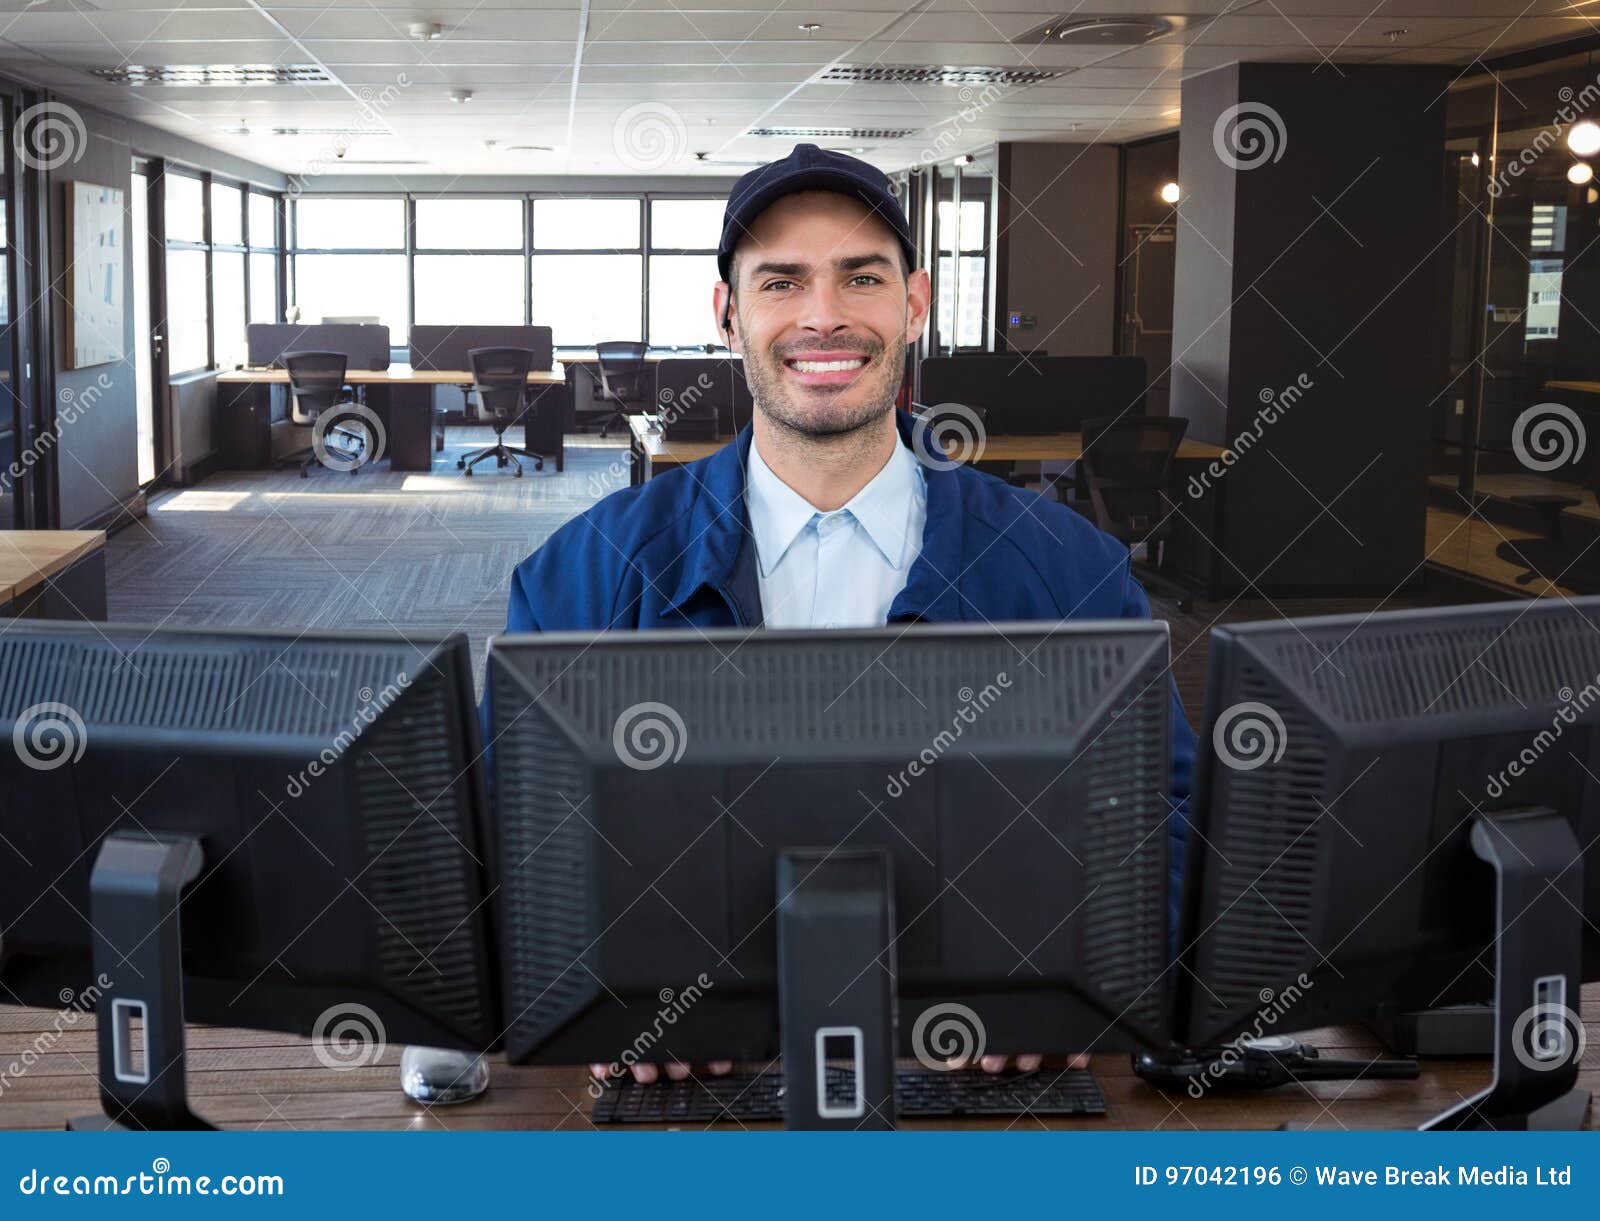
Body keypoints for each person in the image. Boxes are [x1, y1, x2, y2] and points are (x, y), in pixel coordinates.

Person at [498, 143, 1196, 1085]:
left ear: (913, 306)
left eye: (860, 278)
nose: (823, 316)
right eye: (781, 282)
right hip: (693, 1080)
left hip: (980, 1074)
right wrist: (606, 991)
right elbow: (509, 835)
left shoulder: (1068, 568)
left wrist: (1077, 978)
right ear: (729, 313)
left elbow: (1172, 817)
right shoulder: (582, 574)